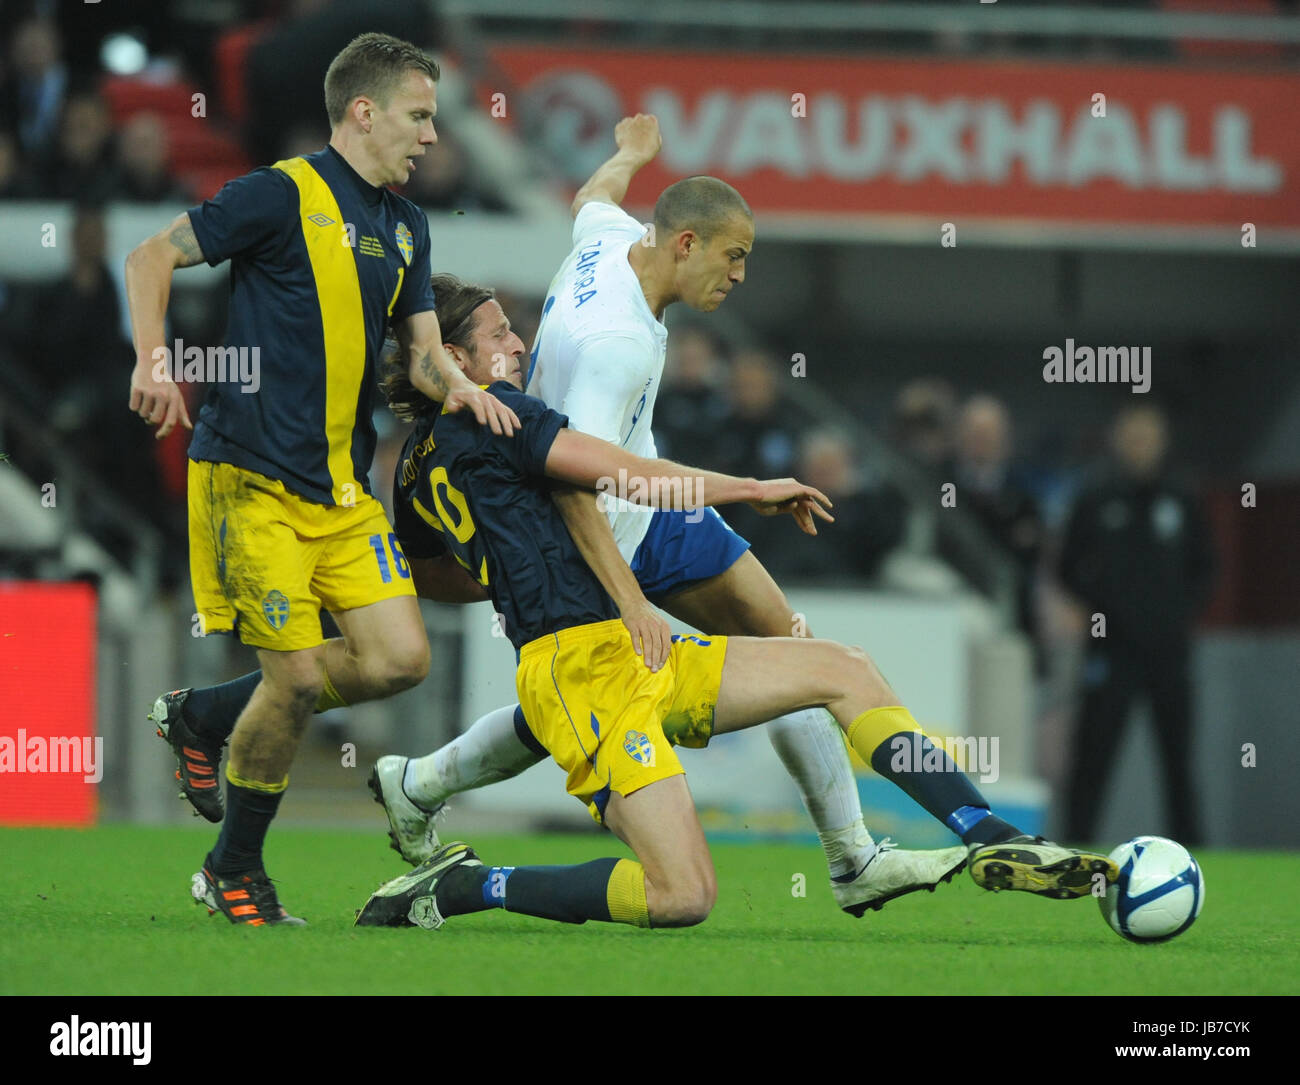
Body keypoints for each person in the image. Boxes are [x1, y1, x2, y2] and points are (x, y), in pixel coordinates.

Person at [355, 309, 1116, 932]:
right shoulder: (499, 416)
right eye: (497, 333)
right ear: (451, 354)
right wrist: (748, 487)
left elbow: (422, 571)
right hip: (582, 676)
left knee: (838, 666)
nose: (518, 341)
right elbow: (628, 472)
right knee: (681, 895)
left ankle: (987, 835)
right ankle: (466, 885)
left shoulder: (417, 459)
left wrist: (509, 574)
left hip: (631, 648)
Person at [125, 32, 517, 927]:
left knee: (399, 658)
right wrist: (155, 361)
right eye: (419, 116)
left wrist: (467, 388)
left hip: (341, 493)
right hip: (248, 480)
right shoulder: (278, 192)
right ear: (364, 112)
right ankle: (233, 872)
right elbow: (149, 257)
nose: (430, 135)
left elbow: (420, 355)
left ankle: (202, 716)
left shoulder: (407, 226)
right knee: (297, 680)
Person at [1058, 405, 1215, 845]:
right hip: (1111, 652)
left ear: (1162, 442)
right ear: (1116, 440)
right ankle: (1077, 845)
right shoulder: (1095, 497)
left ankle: (1192, 851)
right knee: (1093, 757)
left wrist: (1176, 612)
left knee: (1178, 760)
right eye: (1132, 437)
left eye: (1147, 437)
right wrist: (1105, 609)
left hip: (1169, 652)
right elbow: (1067, 567)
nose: (1139, 446)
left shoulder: (1182, 497)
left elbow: (1206, 567)